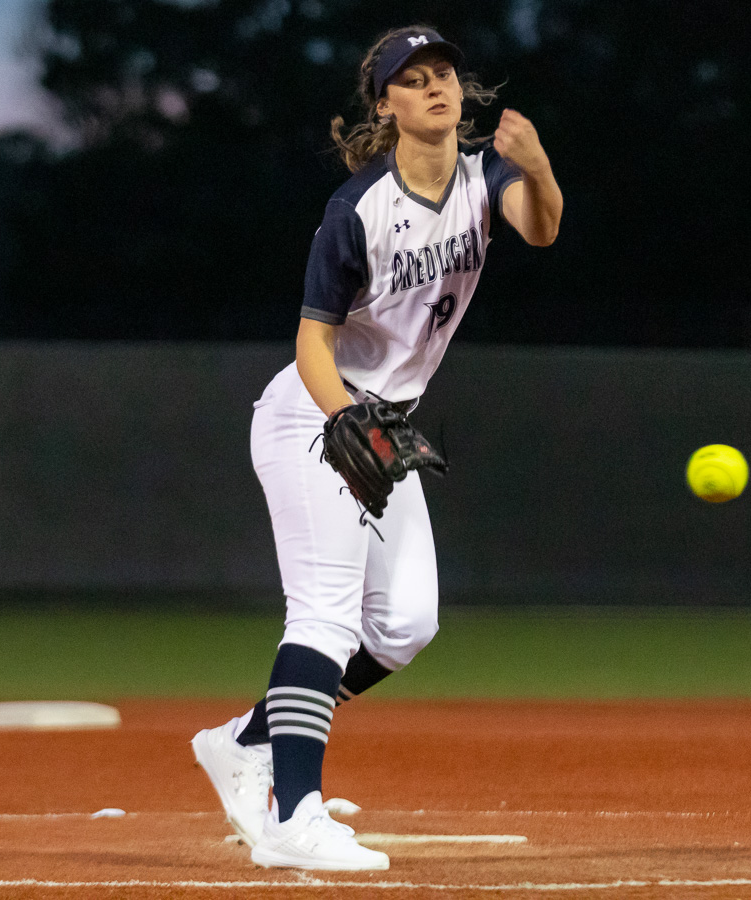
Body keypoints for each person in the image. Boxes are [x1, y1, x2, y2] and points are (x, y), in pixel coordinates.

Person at [190, 25, 562, 870]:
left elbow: (539, 229)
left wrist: (537, 163)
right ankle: (296, 818)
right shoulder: (357, 208)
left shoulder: (484, 178)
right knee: (322, 610)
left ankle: (245, 742)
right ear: (385, 104)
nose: (437, 87)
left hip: (380, 425)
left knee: (402, 624)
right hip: (314, 417)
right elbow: (313, 343)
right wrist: (343, 419)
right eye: (414, 78)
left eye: (446, 75)